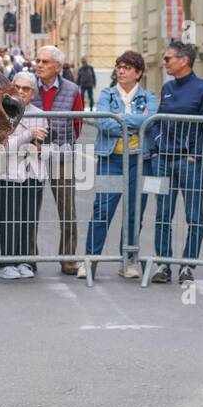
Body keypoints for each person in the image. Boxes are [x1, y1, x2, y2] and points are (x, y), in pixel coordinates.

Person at [81, 51, 158, 279]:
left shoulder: (149, 96)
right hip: (111, 161)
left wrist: (118, 119)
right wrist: (131, 124)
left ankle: (129, 260)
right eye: (119, 67)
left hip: (138, 162)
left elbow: (150, 119)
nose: (121, 71)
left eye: (126, 67)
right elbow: (102, 120)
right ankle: (90, 260)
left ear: (138, 73)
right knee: (103, 209)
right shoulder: (107, 93)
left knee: (134, 212)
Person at [148, 41, 203, 284]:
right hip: (162, 162)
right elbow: (158, 120)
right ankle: (163, 264)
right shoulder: (167, 87)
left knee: (194, 215)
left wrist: (195, 154)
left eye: (168, 59)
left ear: (183, 60)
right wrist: (155, 150)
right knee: (162, 215)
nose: (164, 62)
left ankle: (188, 265)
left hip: (189, 163)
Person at [34, 45, 84, 275]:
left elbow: (78, 124)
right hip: (31, 157)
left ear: (57, 67)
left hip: (62, 156)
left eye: (45, 62)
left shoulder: (72, 89)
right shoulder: (28, 87)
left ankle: (68, 257)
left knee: (67, 208)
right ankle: (28, 256)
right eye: (39, 61)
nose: (39, 65)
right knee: (29, 209)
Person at [0, 71, 46, 280]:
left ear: (33, 93)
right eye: (18, 87)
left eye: (27, 89)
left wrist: (42, 147)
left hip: (34, 174)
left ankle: (25, 260)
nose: (22, 92)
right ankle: (7, 263)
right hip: (8, 173)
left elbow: (47, 147)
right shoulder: (1, 113)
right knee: (8, 220)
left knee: (29, 220)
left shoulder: (41, 114)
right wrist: (27, 136)